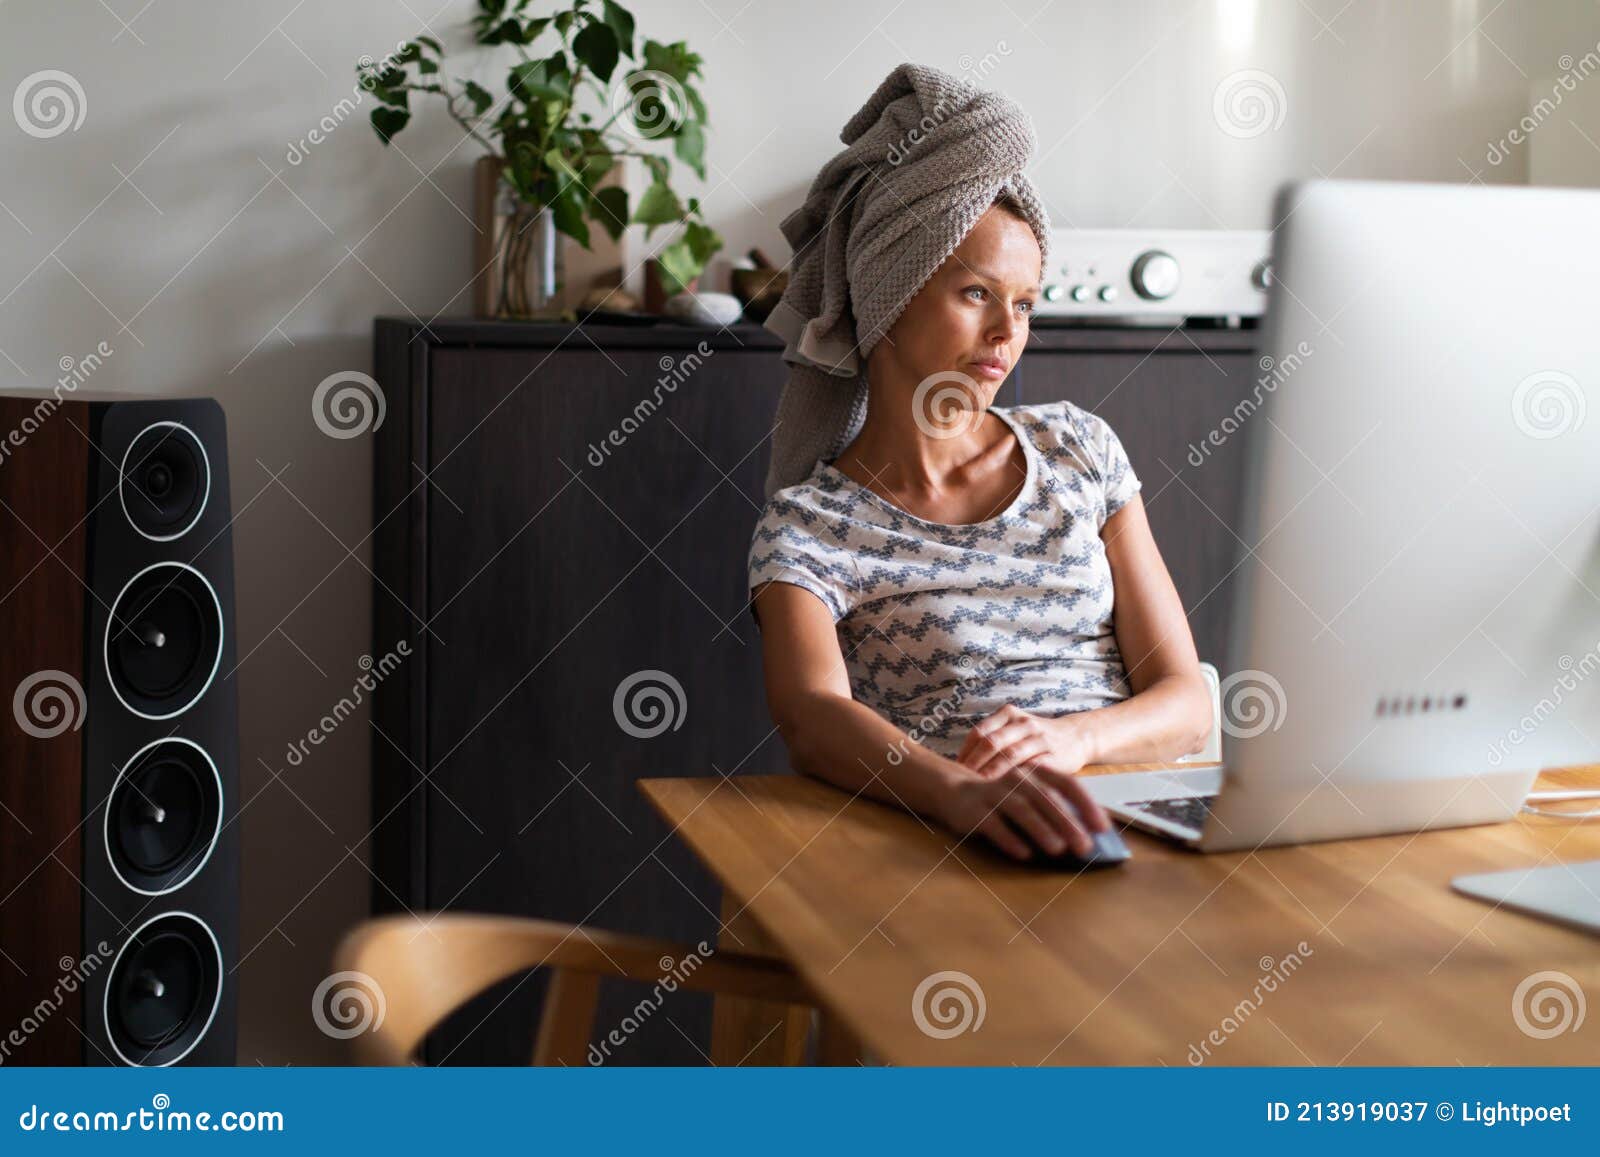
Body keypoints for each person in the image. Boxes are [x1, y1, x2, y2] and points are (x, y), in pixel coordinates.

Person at [747, 64, 1212, 863]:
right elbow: (810, 717)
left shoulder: (1081, 449)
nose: (1007, 333)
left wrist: (1074, 741)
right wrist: (959, 793)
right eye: (976, 294)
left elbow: (1188, 702)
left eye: (1024, 303)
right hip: (958, 845)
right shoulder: (809, 524)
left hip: (1141, 823)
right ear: (890, 291)